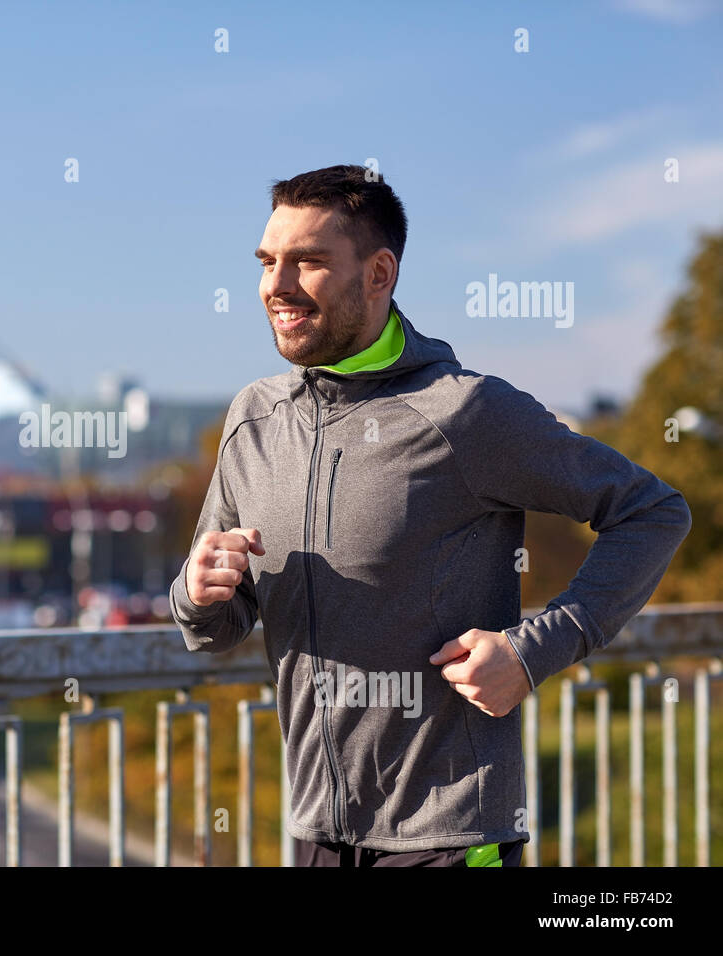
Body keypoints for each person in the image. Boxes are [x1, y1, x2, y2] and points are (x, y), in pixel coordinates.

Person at [169, 164, 693, 867]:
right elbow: (220, 626)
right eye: (268, 262)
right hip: (317, 835)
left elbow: (652, 512)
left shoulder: (466, 411)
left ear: (379, 273)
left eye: (309, 262)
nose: (277, 285)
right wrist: (198, 593)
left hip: (449, 838)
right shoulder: (255, 420)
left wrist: (534, 652)